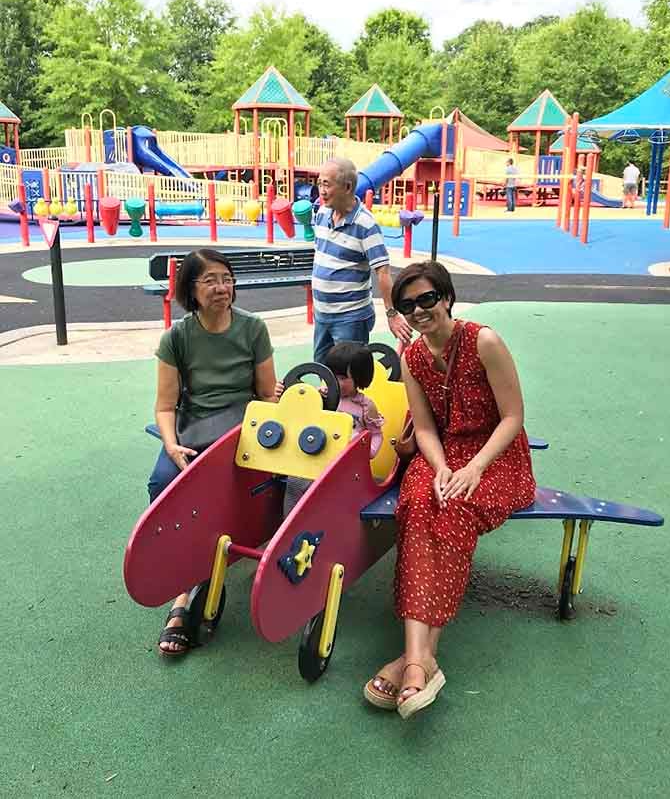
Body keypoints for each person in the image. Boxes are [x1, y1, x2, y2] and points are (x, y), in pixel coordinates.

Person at [364, 261, 536, 719]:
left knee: (455, 511)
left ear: (445, 297)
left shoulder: (484, 340)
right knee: (418, 506)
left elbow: (513, 417)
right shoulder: (413, 357)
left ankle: (411, 661)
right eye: (407, 304)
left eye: (426, 299)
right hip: (444, 453)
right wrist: (439, 467)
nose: (419, 311)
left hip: (496, 457)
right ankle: (423, 661)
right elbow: (423, 427)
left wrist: (475, 468)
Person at [151, 248, 277, 656]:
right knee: (163, 482)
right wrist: (171, 444)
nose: (222, 288)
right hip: (194, 427)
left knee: (222, 490)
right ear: (192, 289)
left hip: (241, 427)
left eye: (226, 278)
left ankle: (191, 591)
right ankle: (184, 586)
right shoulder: (177, 338)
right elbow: (166, 406)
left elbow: (264, 397)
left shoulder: (254, 329)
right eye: (210, 280)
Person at [312, 157, 412, 362]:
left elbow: (383, 272)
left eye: (327, 184)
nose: (321, 190)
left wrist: (392, 314)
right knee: (323, 371)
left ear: (347, 187)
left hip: (350, 317)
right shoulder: (322, 214)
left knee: (348, 375)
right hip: (322, 313)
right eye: (319, 183)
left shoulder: (365, 224)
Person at [277, 341, 385, 517]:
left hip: (345, 463)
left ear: (359, 378)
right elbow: (299, 413)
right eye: (332, 375)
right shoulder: (322, 396)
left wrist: (368, 451)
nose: (336, 381)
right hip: (317, 453)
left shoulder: (365, 406)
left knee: (334, 491)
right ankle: (290, 521)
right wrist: (285, 393)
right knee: (295, 481)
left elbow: (376, 434)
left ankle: (331, 522)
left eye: (343, 378)